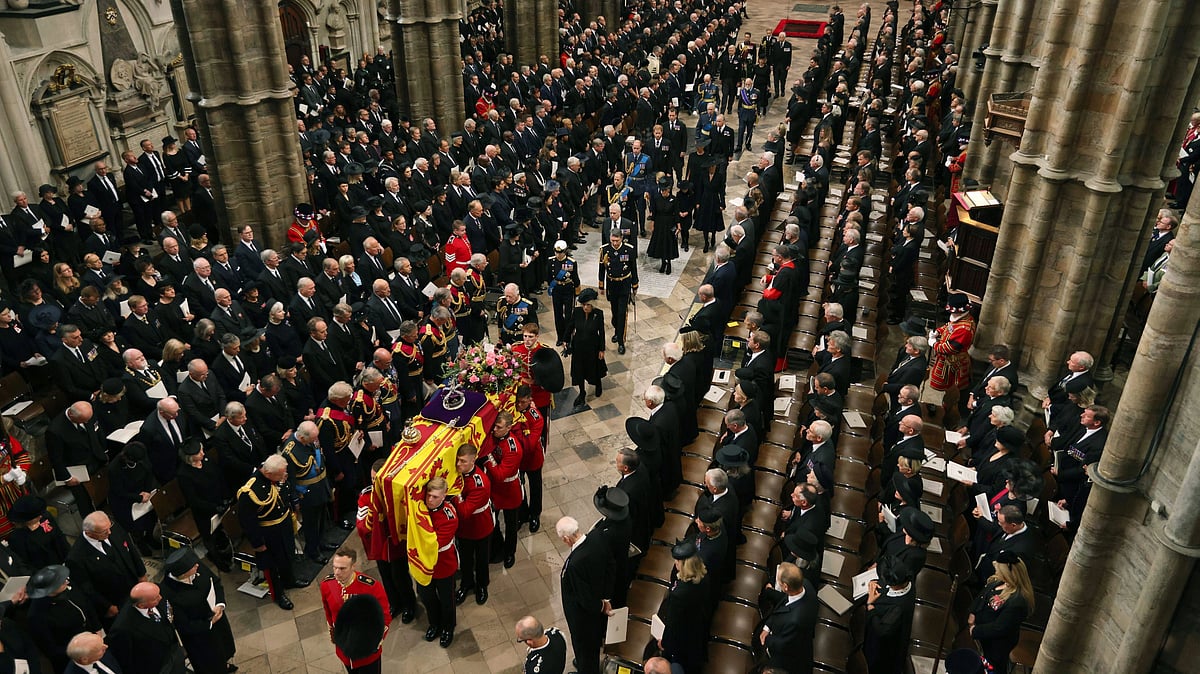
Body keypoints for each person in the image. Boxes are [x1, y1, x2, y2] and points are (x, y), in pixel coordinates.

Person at [237, 454, 307, 610]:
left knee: (288, 555)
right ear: (269, 474)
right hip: (268, 533)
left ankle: (290, 580)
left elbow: (283, 496)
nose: (284, 476)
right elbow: (248, 522)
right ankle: (278, 594)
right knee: (273, 567)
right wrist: (258, 543)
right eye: (280, 474)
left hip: (283, 525)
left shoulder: (275, 478)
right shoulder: (249, 492)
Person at [159, 548, 236, 674]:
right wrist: (209, 623)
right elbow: (183, 625)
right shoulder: (169, 593)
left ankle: (225, 665)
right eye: (193, 566)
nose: (197, 565)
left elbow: (215, 583)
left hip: (217, 618)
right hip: (200, 636)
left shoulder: (196, 566)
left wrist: (220, 605)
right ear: (183, 573)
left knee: (224, 648)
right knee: (210, 663)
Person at [65, 512, 147, 626]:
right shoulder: (76, 557)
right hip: (113, 601)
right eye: (104, 531)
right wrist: (107, 607)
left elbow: (131, 550)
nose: (109, 532)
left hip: (134, 585)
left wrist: (142, 574)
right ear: (89, 532)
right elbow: (86, 588)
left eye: (109, 527)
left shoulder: (112, 528)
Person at [555, 516, 613, 674]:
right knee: (590, 646)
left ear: (567, 538)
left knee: (584, 645)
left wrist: (600, 606)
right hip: (597, 597)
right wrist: (606, 598)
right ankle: (583, 662)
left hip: (582, 616)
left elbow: (584, 598)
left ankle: (586, 669)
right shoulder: (597, 536)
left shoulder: (575, 564)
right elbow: (610, 566)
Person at [320, 548, 391, 672]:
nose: (337, 572)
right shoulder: (327, 585)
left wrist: (374, 643)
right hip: (344, 649)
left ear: (353, 566)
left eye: (342, 568)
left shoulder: (371, 588)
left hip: (367, 652)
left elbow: (385, 617)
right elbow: (329, 612)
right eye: (334, 567)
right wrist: (335, 635)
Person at [27, 564, 102, 673]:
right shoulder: (36, 616)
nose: (67, 582)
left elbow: (87, 606)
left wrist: (97, 629)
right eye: (62, 582)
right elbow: (51, 650)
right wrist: (82, 650)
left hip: (93, 642)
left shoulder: (68, 590)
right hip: (73, 658)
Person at [969, 551, 1034, 672]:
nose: (996, 571)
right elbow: (982, 596)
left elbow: (999, 627)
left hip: (995, 647)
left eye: (999, 569)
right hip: (981, 638)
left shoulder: (1017, 601)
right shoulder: (997, 582)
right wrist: (973, 613)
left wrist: (975, 630)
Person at [282, 420, 336, 564]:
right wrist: (295, 500)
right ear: (302, 438)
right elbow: (290, 480)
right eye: (313, 439)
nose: (315, 441)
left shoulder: (309, 440)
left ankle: (322, 542)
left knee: (323, 518)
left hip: (321, 486)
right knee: (311, 524)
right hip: (307, 493)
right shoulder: (290, 452)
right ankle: (313, 550)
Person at [106, 582, 188, 674]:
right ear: (141, 605)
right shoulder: (123, 628)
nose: (160, 598)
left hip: (174, 651)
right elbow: (126, 658)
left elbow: (168, 615)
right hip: (156, 666)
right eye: (155, 598)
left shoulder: (155, 593)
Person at [415, 477, 458, 647]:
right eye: (429, 496)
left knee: (447, 600)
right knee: (426, 596)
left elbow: (434, 543)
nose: (430, 500)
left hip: (442, 564)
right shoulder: (421, 507)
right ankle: (434, 623)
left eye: (435, 497)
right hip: (424, 564)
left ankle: (448, 627)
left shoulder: (449, 515)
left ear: (444, 495)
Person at [658, 540, 712, 674]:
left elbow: (672, 624)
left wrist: (664, 642)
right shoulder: (703, 576)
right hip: (697, 626)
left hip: (683, 639)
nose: (675, 563)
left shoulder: (679, 595)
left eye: (677, 561)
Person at [756, 562, 817, 673]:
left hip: (788, 657)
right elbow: (784, 603)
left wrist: (767, 638)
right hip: (785, 633)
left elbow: (782, 644)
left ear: (785, 587)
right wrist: (767, 626)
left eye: (778, 581)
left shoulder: (795, 621)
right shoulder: (805, 585)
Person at [452, 444, 493, 606]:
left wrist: (455, 494)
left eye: (463, 461)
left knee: (482, 559)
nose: (458, 465)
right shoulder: (459, 473)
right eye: (457, 461)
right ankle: (466, 583)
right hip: (464, 528)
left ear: (473, 460)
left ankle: (482, 585)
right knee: (466, 557)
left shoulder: (479, 482)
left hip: (479, 526)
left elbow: (464, 511)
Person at [863, 555, 916, 674]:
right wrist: (874, 582)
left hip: (884, 648)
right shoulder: (904, 578)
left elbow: (882, 631)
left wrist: (870, 605)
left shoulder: (898, 608)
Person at [564, 288, 606, 407]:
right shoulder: (577, 312)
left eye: (588, 305)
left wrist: (602, 349)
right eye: (583, 305)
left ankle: (598, 383)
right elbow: (570, 326)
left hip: (593, 347)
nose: (585, 308)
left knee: (594, 368)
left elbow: (601, 332)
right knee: (579, 371)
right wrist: (565, 340)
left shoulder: (598, 314)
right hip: (579, 347)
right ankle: (582, 393)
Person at [598, 231, 638, 354]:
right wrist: (601, 285)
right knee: (614, 312)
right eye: (612, 241)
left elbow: (633, 267)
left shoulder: (629, 249)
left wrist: (635, 284)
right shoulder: (605, 250)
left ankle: (621, 341)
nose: (615, 243)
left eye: (617, 241)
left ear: (622, 239)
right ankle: (617, 330)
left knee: (622, 313)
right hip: (612, 285)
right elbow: (601, 268)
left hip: (624, 284)